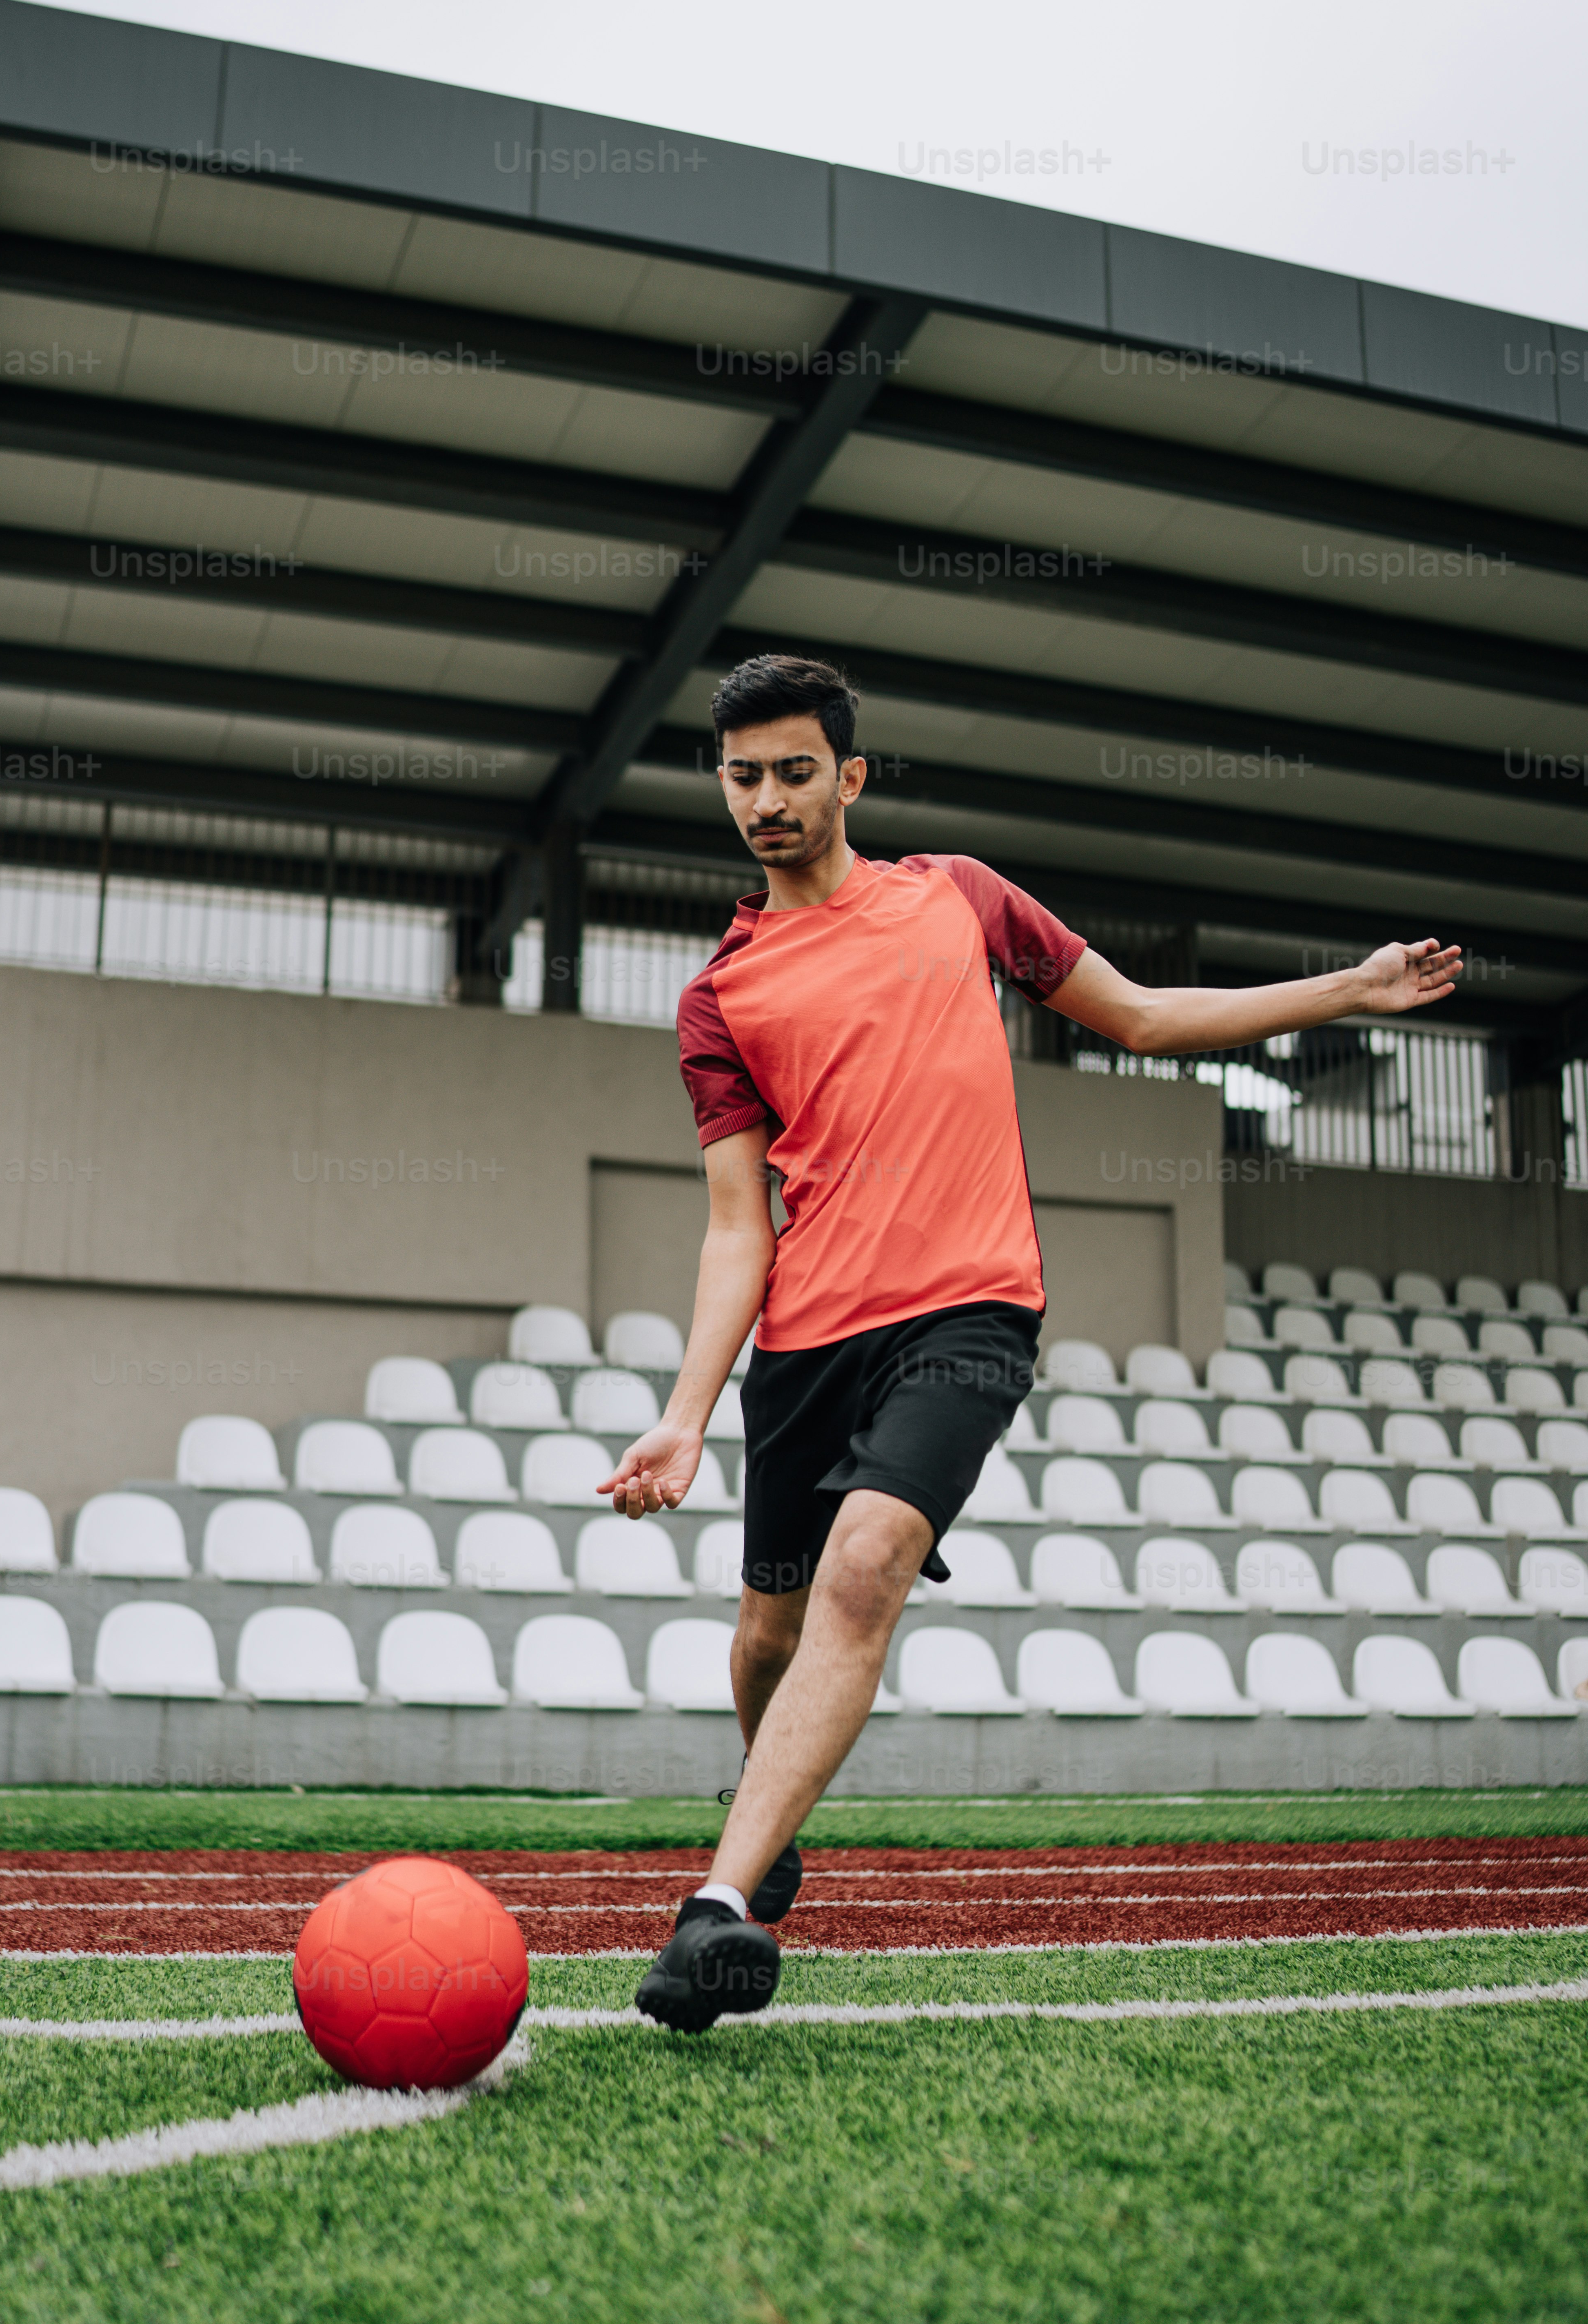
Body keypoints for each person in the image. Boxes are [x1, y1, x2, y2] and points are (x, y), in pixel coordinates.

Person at [601, 653, 1462, 2034]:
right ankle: (771, 1813)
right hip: (807, 1340)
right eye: (743, 776)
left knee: (867, 1568)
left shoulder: (959, 896)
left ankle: (716, 1907)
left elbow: (1143, 1018)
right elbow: (736, 1225)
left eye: (796, 772)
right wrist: (686, 1411)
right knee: (766, 1634)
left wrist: (1346, 992)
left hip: (970, 1311)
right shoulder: (720, 995)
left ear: (850, 778)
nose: (767, 800)